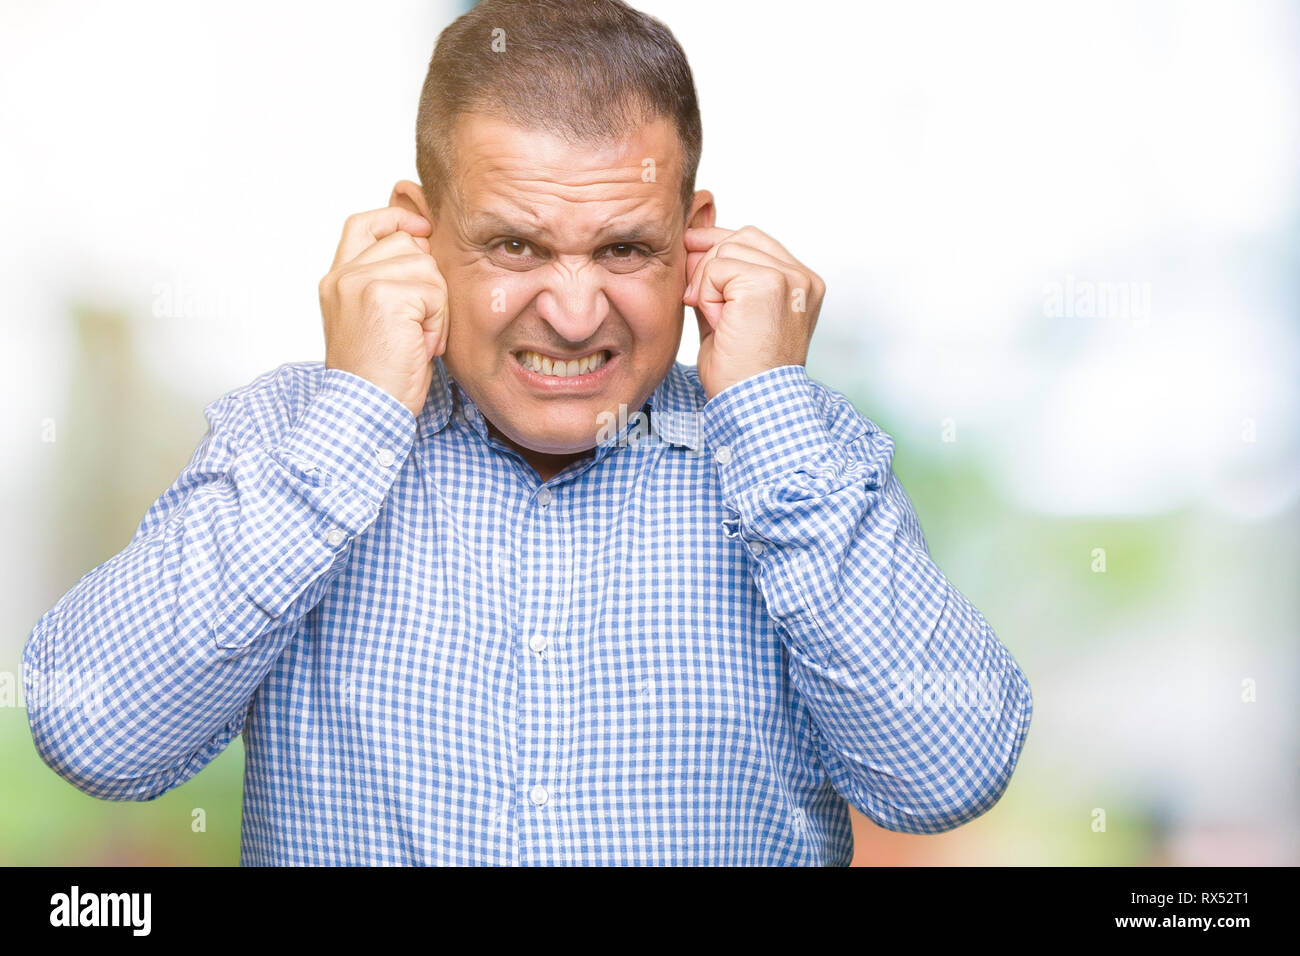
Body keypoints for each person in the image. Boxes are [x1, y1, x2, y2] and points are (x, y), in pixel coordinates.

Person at [22, 0, 1032, 866]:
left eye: (625, 248)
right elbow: (97, 731)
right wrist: (355, 416)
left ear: (696, 236)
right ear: (417, 232)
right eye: (515, 243)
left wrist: (767, 410)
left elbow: (947, 770)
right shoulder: (288, 436)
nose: (577, 310)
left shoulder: (796, 456)